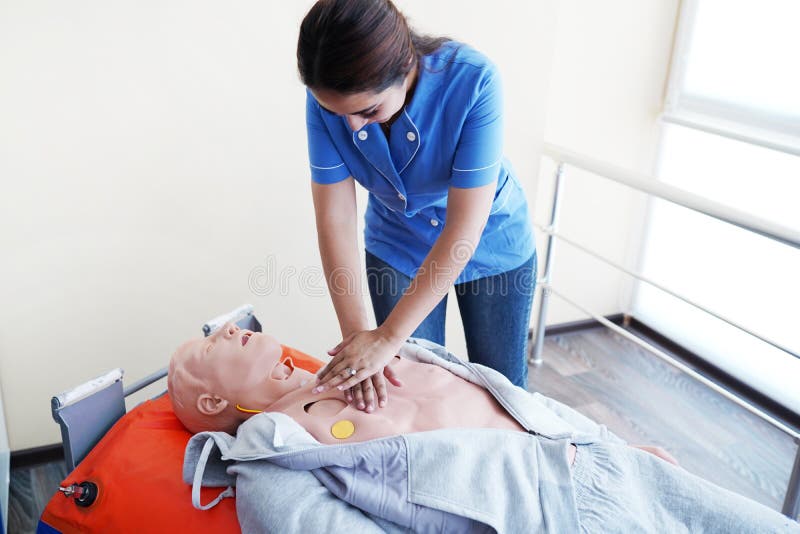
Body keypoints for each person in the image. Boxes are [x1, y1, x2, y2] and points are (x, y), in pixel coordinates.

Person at [170, 323, 800, 533]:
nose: (222, 330)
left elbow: (508, 397)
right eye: (205, 348)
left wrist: (617, 445)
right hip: (541, 516)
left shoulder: (372, 350)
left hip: (606, 466)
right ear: (208, 404)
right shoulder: (272, 452)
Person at [297, 0, 537, 411]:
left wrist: (388, 337)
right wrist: (360, 340)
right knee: (411, 389)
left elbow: (464, 229)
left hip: (491, 241)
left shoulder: (474, 81)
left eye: (367, 110)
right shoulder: (330, 102)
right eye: (338, 113)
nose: (351, 126)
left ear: (405, 64)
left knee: (504, 393)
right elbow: (334, 217)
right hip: (397, 244)